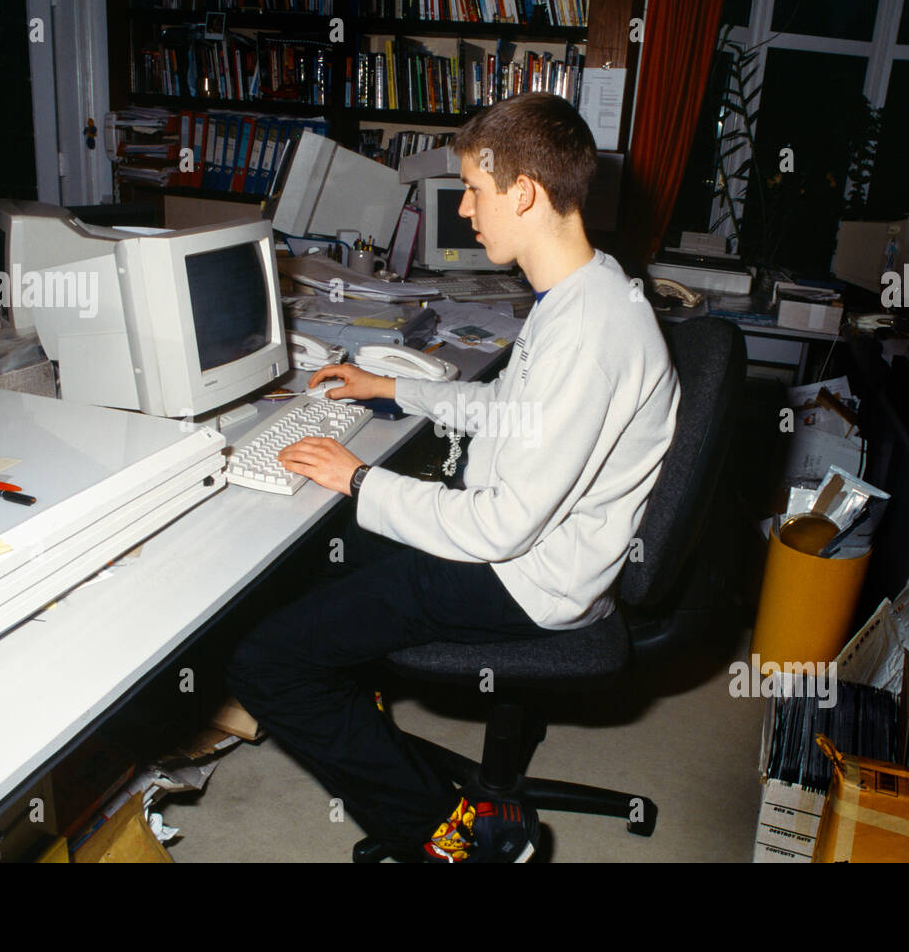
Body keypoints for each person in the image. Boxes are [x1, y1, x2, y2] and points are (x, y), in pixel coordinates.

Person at [227, 91, 680, 863]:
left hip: (526, 576)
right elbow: (504, 406)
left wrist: (361, 481)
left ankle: (461, 836)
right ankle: (382, 746)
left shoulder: (592, 334)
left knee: (265, 663)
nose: (465, 208)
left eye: (475, 187)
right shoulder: (582, 291)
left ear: (525, 193)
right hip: (522, 548)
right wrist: (396, 389)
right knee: (316, 561)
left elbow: (501, 527)